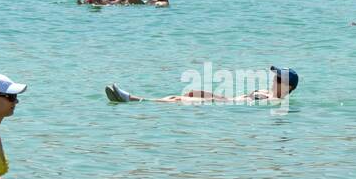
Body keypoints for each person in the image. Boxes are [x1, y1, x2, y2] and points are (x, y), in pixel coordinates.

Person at [105, 66, 298, 103]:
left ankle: (131, 98)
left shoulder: (275, 101)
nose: (274, 79)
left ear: (288, 87)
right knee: (188, 93)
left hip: (224, 105)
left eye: (279, 78)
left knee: (177, 99)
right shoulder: (267, 93)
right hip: (224, 99)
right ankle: (131, 99)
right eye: (275, 76)